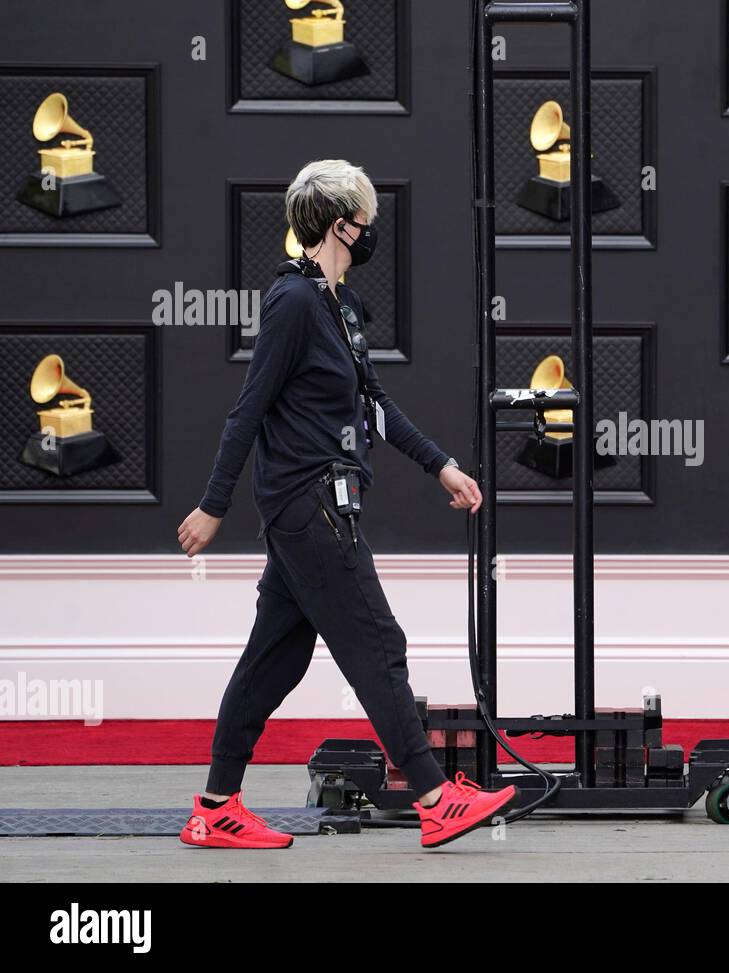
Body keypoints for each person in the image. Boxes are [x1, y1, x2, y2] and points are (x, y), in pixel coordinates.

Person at [175, 159, 514, 849]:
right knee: (378, 643)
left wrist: (441, 465)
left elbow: (374, 404)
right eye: (365, 224)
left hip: (319, 508)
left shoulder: (341, 307)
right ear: (339, 225)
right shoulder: (293, 302)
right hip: (309, 509)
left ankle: (215, 806)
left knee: (275, 658)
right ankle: (432, 797)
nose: (371, 234)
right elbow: (247, 412)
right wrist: (213, 505)